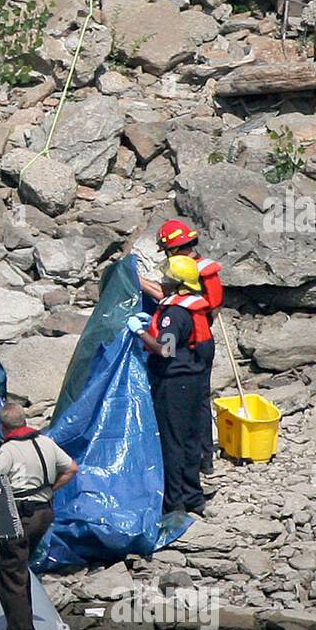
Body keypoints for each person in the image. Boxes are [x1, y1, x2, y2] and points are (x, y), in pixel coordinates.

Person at [0, 402, 78, 630]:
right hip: (44, 512)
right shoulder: (46, 443)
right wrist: (49, 490)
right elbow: (72, 468)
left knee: (11, 575)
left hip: (19, 515)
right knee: (22, 568)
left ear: (3, 427)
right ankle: (28, 624)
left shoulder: (9, 450)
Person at [129, 254, 214, 516]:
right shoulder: (196, 307)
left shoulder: (174, 314)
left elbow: (165, 350)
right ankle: (194, 498)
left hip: (175, 383)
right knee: (191, 440)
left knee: (172, 443)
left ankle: (173, 503)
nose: (163, 282)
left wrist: (139, 332)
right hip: (195, 380)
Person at [144, 219, 224, 478]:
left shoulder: (185, 271)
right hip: (203, 340)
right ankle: (204, 457)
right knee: (201, 399)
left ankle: (186, 461)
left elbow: (167, 296)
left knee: (184, 404)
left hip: (189, 344)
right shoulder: (201, 268)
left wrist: (136, 280)